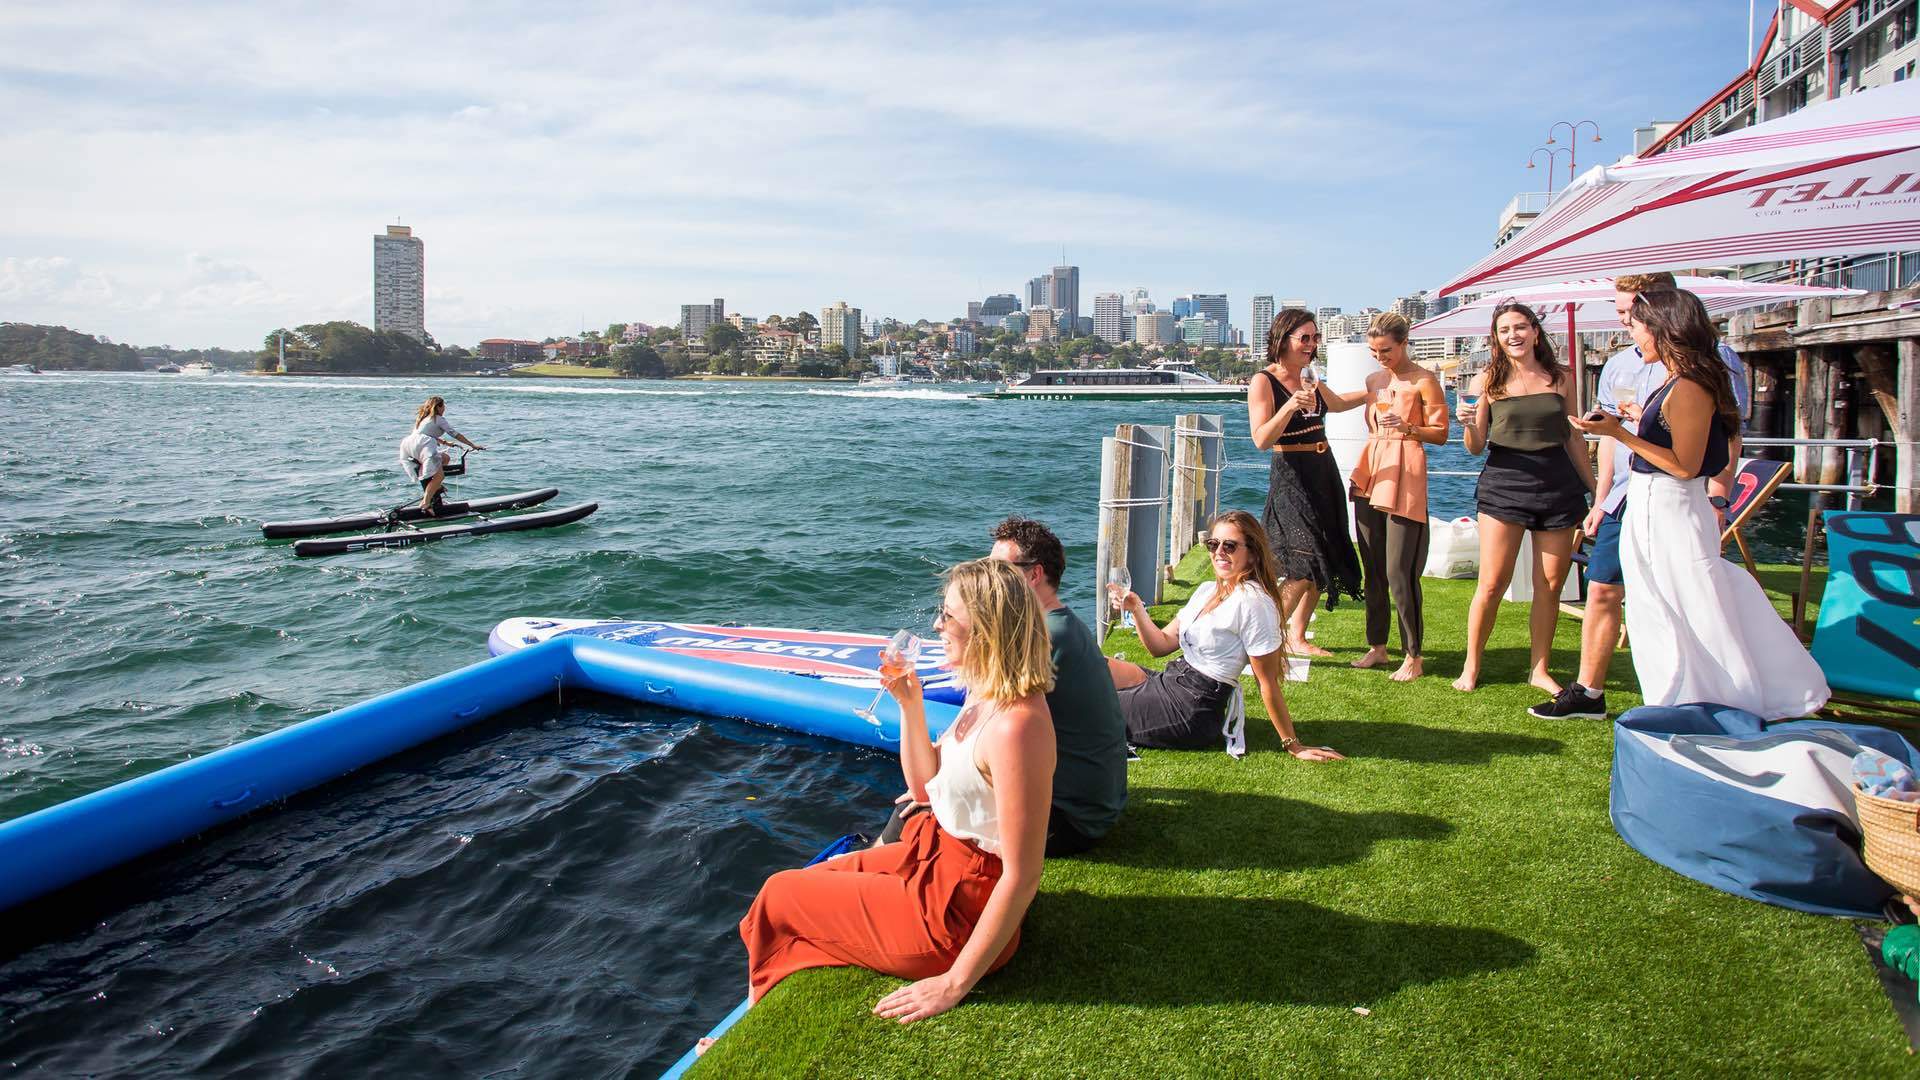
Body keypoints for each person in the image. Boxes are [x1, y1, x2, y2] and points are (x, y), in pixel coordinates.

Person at [738, 559, 1055, 1023]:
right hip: (935, 856)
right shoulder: (986, 692)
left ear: (985, 629)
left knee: (778, 895)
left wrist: (954, 982)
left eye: (947, 615)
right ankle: (769, 984)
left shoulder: (1017, 728)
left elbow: (1023, 874)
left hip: (953, 916)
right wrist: (909, 704)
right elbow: (924, 789)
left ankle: (751, 1016)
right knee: (824, 872)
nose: (936, 624)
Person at [1570, 289, 1828, 720]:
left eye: (1635, 327)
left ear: (1662, 329)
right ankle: (1679, 698)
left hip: (1671, 510)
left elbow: (1685, 466)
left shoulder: (1688, 386)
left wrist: (1622, 435)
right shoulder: (1677, 382)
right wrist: (1637, 419)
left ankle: (1720, 699)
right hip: (1654, 509)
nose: (1631, 337)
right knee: (1659, 607)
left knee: (1689, 606)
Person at [1530, 274, 1751, 720]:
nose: (1627, 322)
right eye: (1622, 314)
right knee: (1606, 588)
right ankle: (1590, 692)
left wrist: (1719, 495)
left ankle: (1704, 696)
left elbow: (1722, 440)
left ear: (1662, 313)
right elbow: (1626, 434)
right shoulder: (1620, 365)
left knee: (1684, 598)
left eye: (1634, 314)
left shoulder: (1708, 367)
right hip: (1633, 495)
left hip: (1676, 498)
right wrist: (1601, 497)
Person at [876, 517, 1128, 856]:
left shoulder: (1041, 639)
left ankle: (865, 863)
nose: (991, 578)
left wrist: (938, 790)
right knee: (923, 802)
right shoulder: (1058, 624)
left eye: (1000, 568)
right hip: (1089, 801)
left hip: (1072, 817)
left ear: (1034, 575)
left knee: (914, 813)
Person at [1106, 510, 1343, 761]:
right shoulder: (1206, 590)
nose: (1219, 552)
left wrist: (1293, 744)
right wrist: (1136, 608)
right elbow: (1160, 645)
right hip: (1172, 679)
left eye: (1229, 546)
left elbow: (1268, 682)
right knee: (1089, 670)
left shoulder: (1254, 603)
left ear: (1252, 555)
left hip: (1192, 707)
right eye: (1213, 543)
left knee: (1087, 705)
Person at [1453, 302, 1595, 694]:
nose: (1513, 335)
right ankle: (1471, 666)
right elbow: (1475, 446)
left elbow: (1575, 437)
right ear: (1496, 339)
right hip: (1504, 483)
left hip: (1558, 487)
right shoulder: (1486, 380)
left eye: (1519, 327)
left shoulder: (1561, 377)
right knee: (1492, 582)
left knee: (1550, 583)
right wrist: (1467, 425)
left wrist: (1597, 492)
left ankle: (1540, 668)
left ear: (1535, 331)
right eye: (1504, 330)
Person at [1248, 308, 1364, 657]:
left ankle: (1296, 637)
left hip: (1323, 469)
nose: (1311, 345)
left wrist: (1376, 391)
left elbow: (1339, 403)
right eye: (1305, 338)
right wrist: (1289, 407)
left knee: (1324, 552)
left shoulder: (1309, 375)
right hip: (1292, 472)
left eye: (1315, 338)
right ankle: (1265, 640)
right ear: (1283, 340)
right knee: (1303, 559)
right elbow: (1261, 439)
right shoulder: (1263, 381)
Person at [1340, 312, 1449, 682]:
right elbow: (1338, 402)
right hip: (1373, 466)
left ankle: (1413, 655)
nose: (1380, 356)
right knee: (1372, 566)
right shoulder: (1374, 380)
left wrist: (1409, 427)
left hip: (1406, 467)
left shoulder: (1425, 381)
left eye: (1386, 349)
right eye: (1373, 351)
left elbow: (1441, 433)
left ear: (1404, 343)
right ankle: (1378, 647)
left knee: (1398, 570)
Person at [397, 396, 485, 513]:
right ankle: (425, 503)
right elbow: (454, 433)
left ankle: (435, 488)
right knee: (439, 476)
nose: (444, 408)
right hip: (424, 445)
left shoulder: (423, 418)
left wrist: (444, 442)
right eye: (443, 406)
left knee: (445, 458)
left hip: (409, 445)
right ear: (438, 407)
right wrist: (472, 445)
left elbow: (425, 434)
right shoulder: (439, 418)